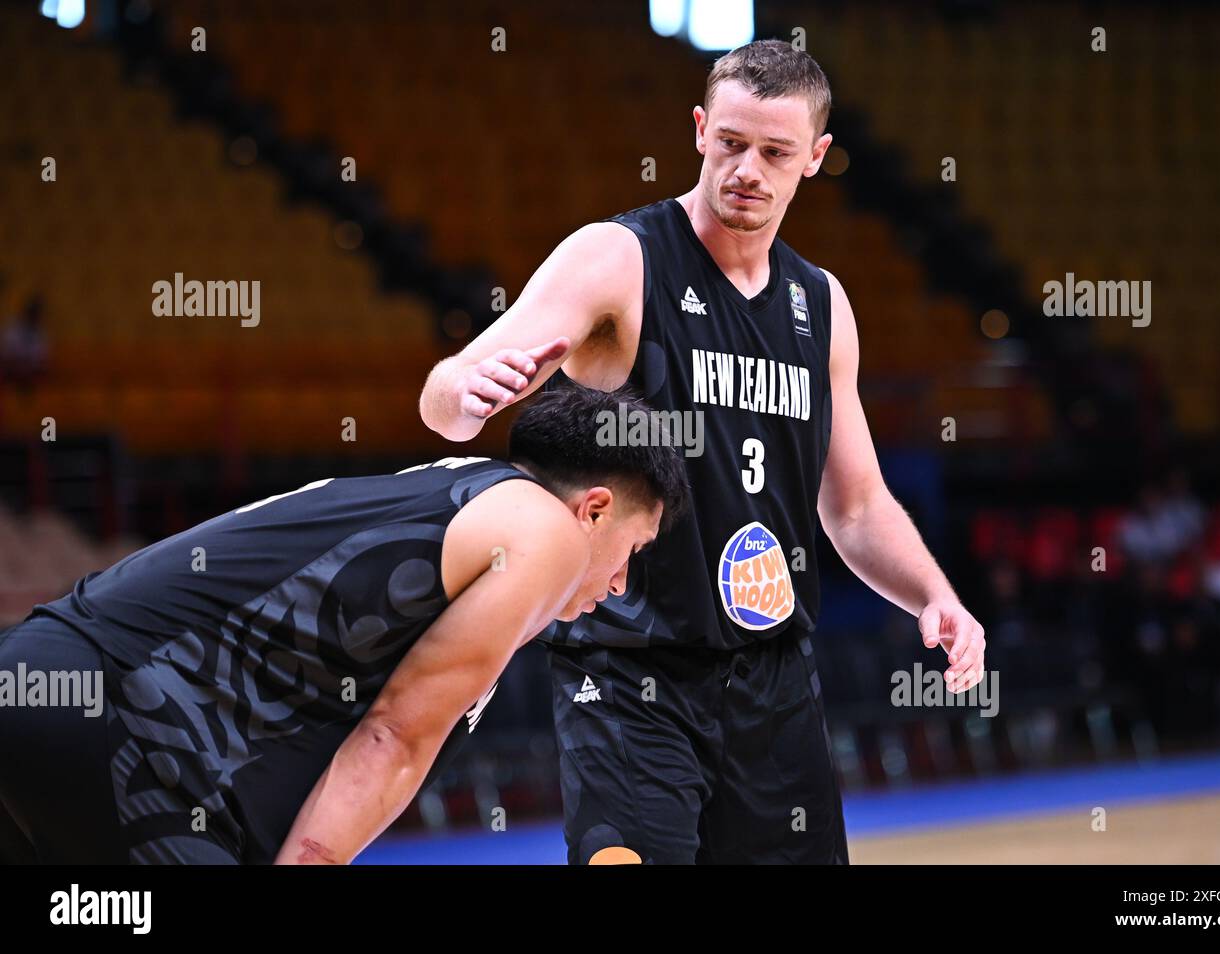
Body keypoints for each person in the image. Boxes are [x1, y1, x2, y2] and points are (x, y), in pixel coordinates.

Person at [419, 39, 986, 864]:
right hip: (628, 674)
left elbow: (855, 504)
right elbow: (448, 394)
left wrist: (933, 595)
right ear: (698, 130)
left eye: (775, 152)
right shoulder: (618, 259)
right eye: (730, 142)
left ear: (816, 158)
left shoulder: (821, 306)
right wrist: (462, 397)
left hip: (773, 684)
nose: (747, 169)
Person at [0, 386, 686, 864]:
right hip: (121, 720)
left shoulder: (456, 501)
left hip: (49, 687)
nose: (621, 583)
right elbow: (394, 732)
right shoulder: (545, 528)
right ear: (594, 510)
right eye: (635, 551)